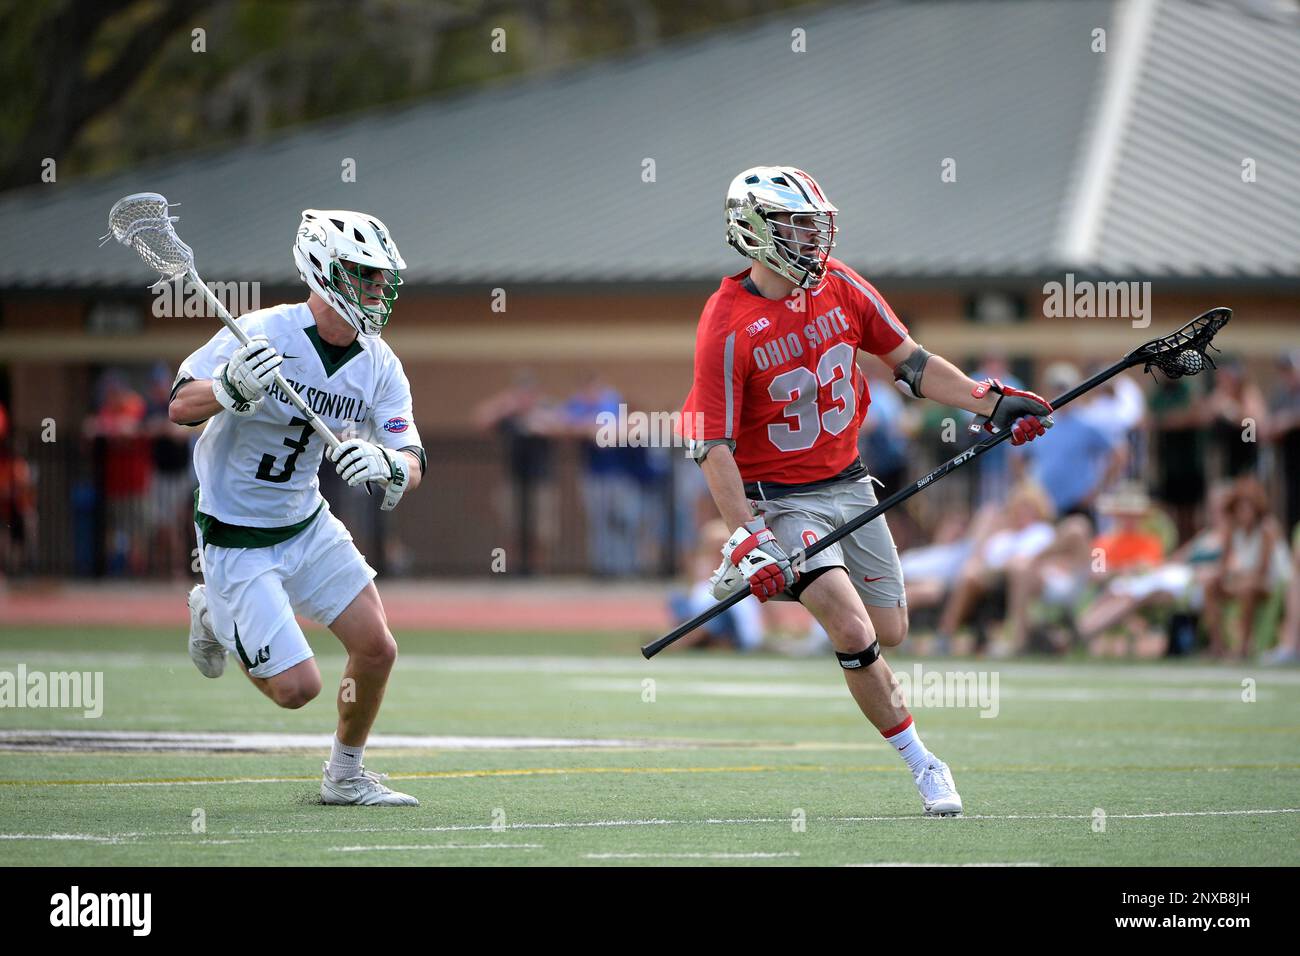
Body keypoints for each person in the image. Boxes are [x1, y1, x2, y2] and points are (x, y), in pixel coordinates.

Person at [680, 166, 1054, 816]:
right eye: (795, 224)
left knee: (892, 629)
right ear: (756, 230)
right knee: (851, 628)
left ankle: (788, 571)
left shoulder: (842, 284)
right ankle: (924, 762)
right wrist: (748, 535)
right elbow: (712, 444)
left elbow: (909, 361)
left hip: (850, 483)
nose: (811, 237)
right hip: (780, 499)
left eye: (813, 223)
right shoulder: (725, 323)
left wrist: (989, 405)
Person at [171, 209, 426, 806]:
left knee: (377, 648)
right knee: (296, 689)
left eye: (382, 278)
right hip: (236, 532)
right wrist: (226, 390)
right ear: (324, 269)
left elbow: (410, 455)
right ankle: (212, 614)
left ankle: (345, 775)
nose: (378, 291)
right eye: (365, 276)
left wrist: (390, 467)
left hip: (306, 521)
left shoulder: (379, 362)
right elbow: (180, 405)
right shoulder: (262, 330)